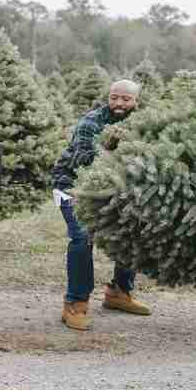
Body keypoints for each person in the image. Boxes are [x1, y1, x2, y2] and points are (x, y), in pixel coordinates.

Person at [51, 79, 151, 331]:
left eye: (125, 99)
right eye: (114, 97)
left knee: (132, 231)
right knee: (82, 238)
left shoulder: (145, 121)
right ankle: (75, 303)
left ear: (136, 101)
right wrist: (110, 148)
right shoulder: (91, 122)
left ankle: (119, 293)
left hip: (117, 187)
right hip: (75, 185)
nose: (119, 103)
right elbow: (81, 159)